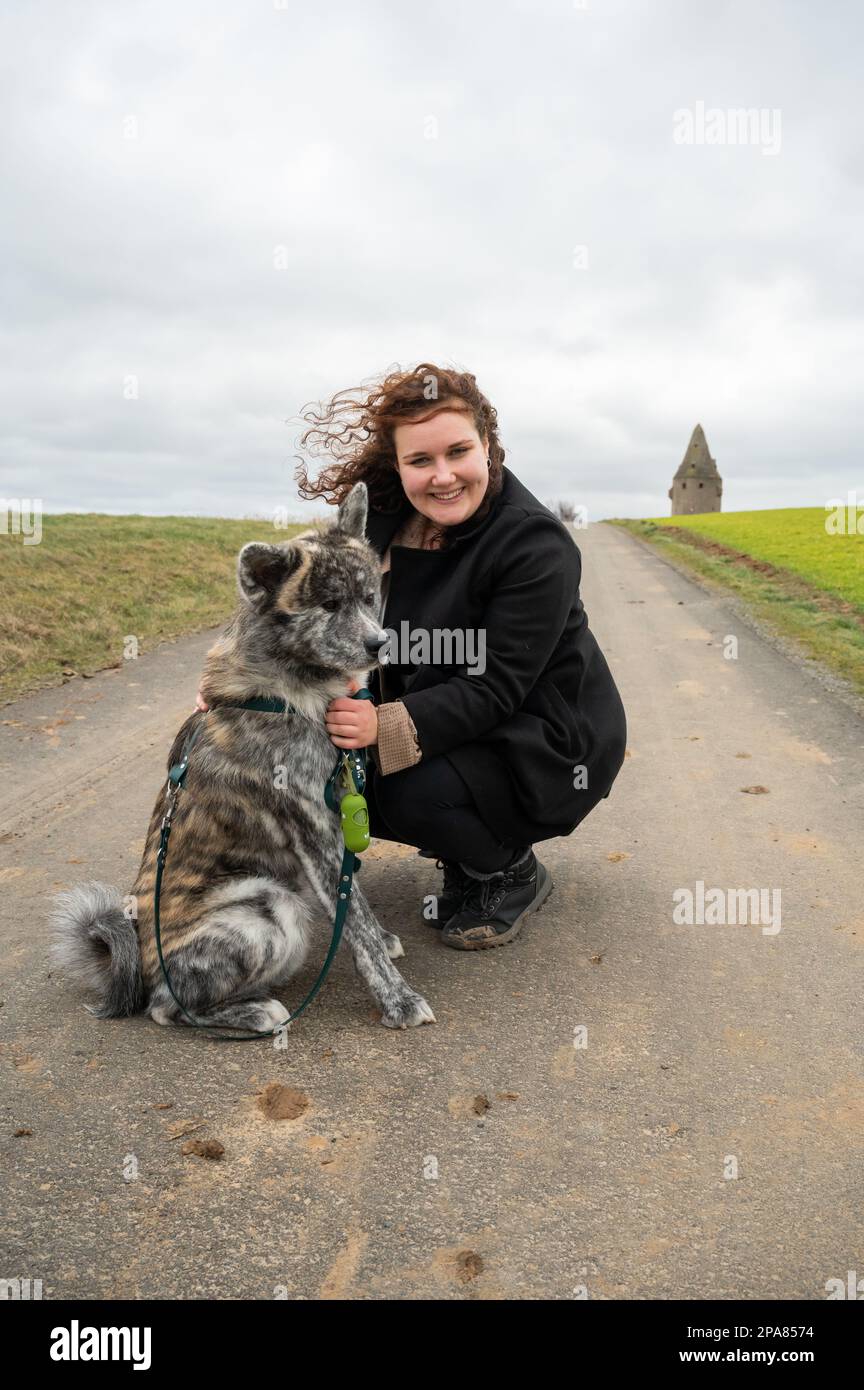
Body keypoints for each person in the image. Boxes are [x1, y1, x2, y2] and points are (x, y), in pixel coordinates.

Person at [199, 362, 627, 951]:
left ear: (489, 447)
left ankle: (506, 871)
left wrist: (381, 724)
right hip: (442, 704)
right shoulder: (381, 522)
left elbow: (497, 687)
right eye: (420, 461)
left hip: (543, 729)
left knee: (406, 789)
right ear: (397, 465)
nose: (443, 476)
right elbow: (296, 611)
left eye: (459, 452)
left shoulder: (535, 544)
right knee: (329, 775)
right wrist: (237, 683)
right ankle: (465, 851)